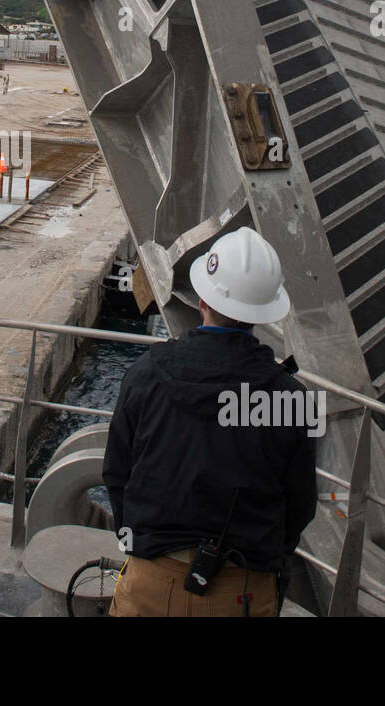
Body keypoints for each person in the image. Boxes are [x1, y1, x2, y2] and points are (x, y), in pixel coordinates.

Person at [104, 227, 316, 618]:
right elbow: (300, 504)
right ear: (264, 312)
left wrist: (140, 541)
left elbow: (118, 475)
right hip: (243, 593)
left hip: (150, 580)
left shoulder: (147, 373)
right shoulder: (290, 397)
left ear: (202, 297)